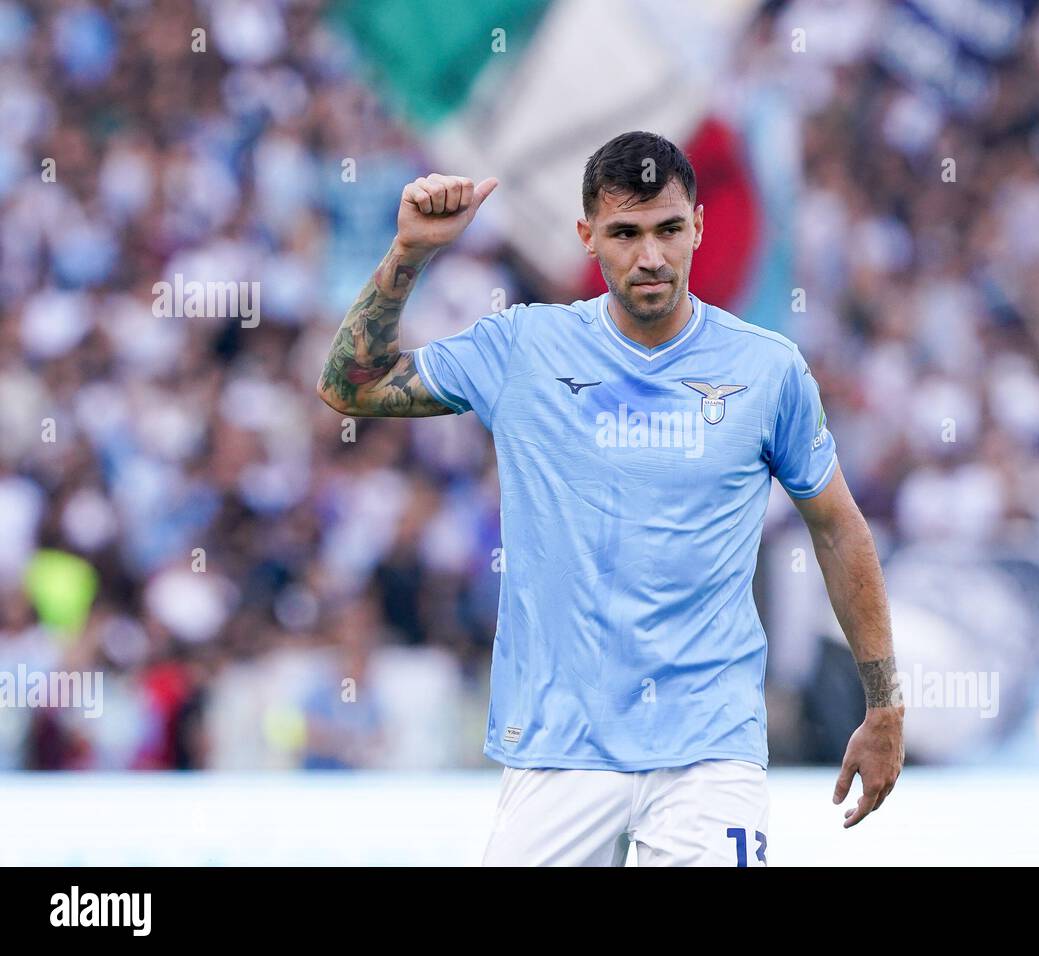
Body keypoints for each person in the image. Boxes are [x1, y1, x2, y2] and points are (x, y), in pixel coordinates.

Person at [316, 131, 903, 866]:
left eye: (667, 230)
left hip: (708, 753)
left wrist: (883, 705)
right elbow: (350, 387)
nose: (650, 256)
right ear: (587, 236)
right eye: (625, 233)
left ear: (698, 229)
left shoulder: (768, 370)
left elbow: (839, 529)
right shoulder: (523, 348)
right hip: (558, 747)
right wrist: (409, 256)